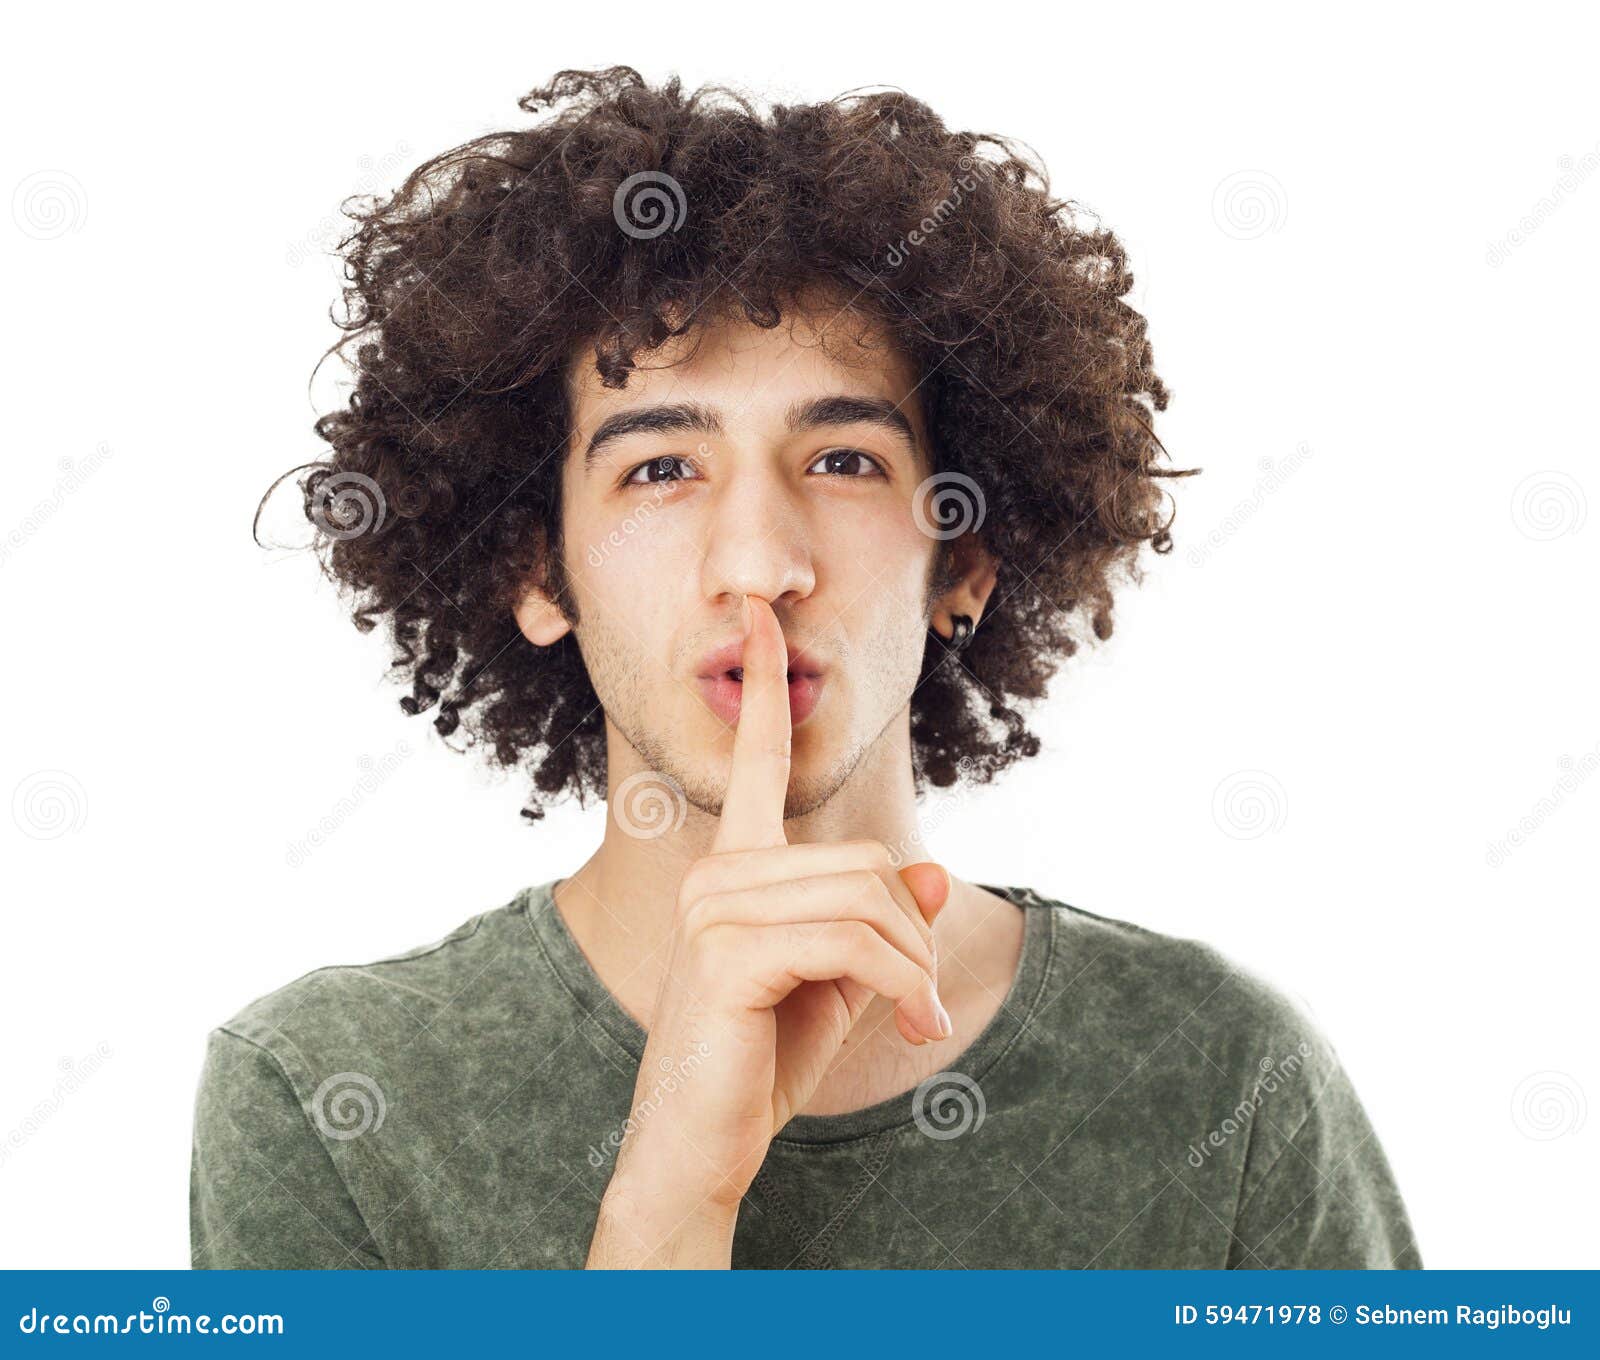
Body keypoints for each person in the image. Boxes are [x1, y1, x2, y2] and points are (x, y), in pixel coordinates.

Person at [194, 67, 1420, 1269]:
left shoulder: (1222, 1079)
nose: (760, 564)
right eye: (659, 469)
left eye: (843, 460)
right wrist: (667, 1209)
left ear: (967, 556)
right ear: (535, 568)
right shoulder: (325, 1100)